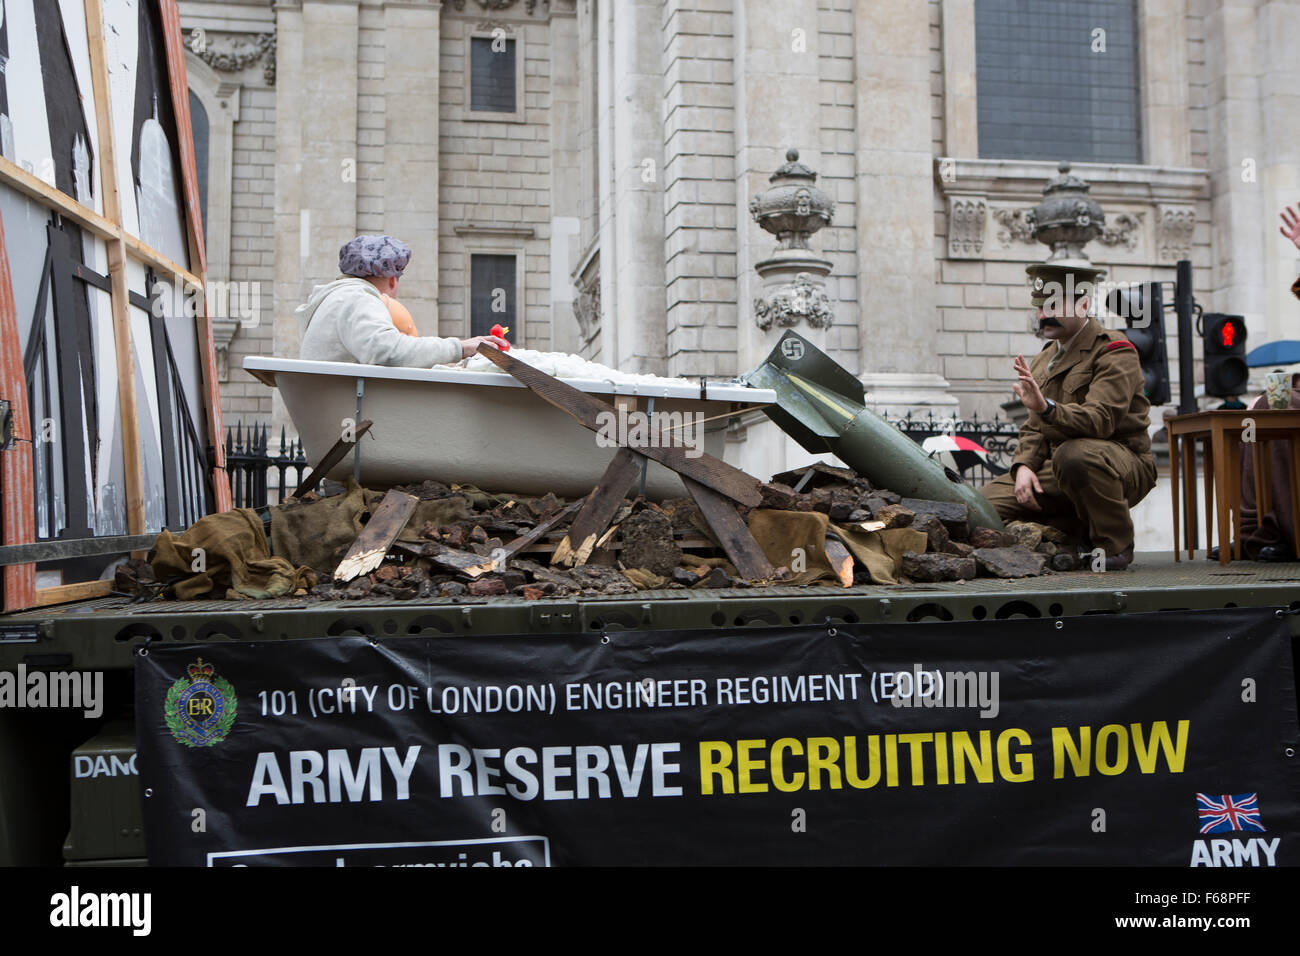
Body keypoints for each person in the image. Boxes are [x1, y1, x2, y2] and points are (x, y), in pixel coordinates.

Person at [979, 261, 1157, 570]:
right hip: (1059, 468)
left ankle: (1113, 544)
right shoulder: (1043, 359)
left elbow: (1100, 420)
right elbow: (1034, 429)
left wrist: (1047, 408)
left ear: (1084, 304)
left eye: (1053, 305)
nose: (1044, 315)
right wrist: (1023, 468)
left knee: (1075, 456)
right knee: (978, 507)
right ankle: (1065, 536)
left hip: (1118, 465)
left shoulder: (1115, 350)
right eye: (1040, 307)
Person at [297, 235, 508, 366]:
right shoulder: (358, 299)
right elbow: (387, 352)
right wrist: (460, 348)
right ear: (392, 280)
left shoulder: (337, 298)